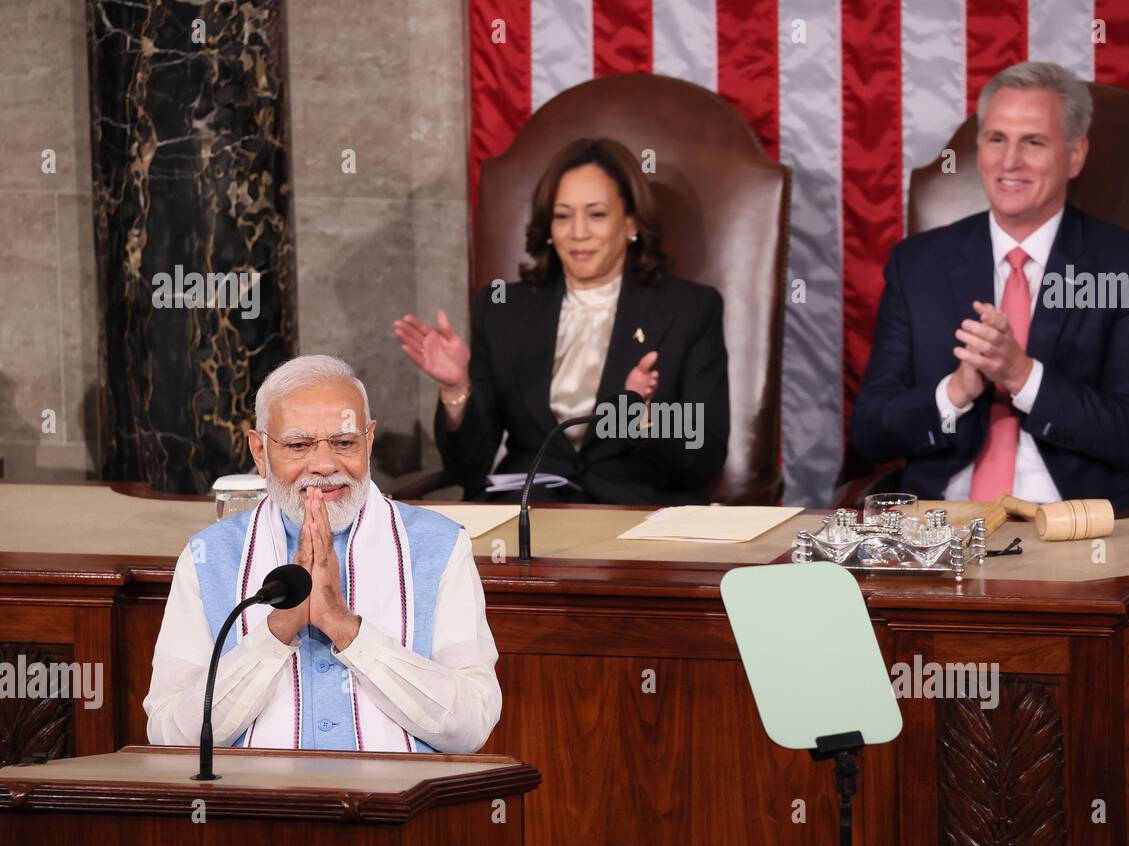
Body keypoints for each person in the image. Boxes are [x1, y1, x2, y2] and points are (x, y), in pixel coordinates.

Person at [850, 61, 1129, 510]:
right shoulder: (918, 264)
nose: (1009, 161)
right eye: (996, 139)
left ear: (1075, 155)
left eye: (1033, 142)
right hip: (944, 528)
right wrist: (955, 392)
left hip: (1076, 529)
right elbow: (871, 432)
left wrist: (1021, 376)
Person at [144, 355, 501, 753]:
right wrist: (279, 630)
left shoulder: (440, 545)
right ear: (259, 451)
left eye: (345, 442)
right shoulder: (208, 558)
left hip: (401, 805)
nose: (326, 464)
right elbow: (170, 735)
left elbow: (472, 726)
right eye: (298, 445)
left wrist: (345, 628)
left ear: (370, 440)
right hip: (255, 808)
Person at [394, 138, 729, 504]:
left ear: (631, 221)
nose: (578, 232)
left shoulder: (691, 309)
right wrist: (456, 389)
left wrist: (646, 420)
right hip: (528, 512)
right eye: (563, 215)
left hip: (635, 517)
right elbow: (467, 468)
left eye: (597, 214)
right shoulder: (503, 308)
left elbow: (704, 461)